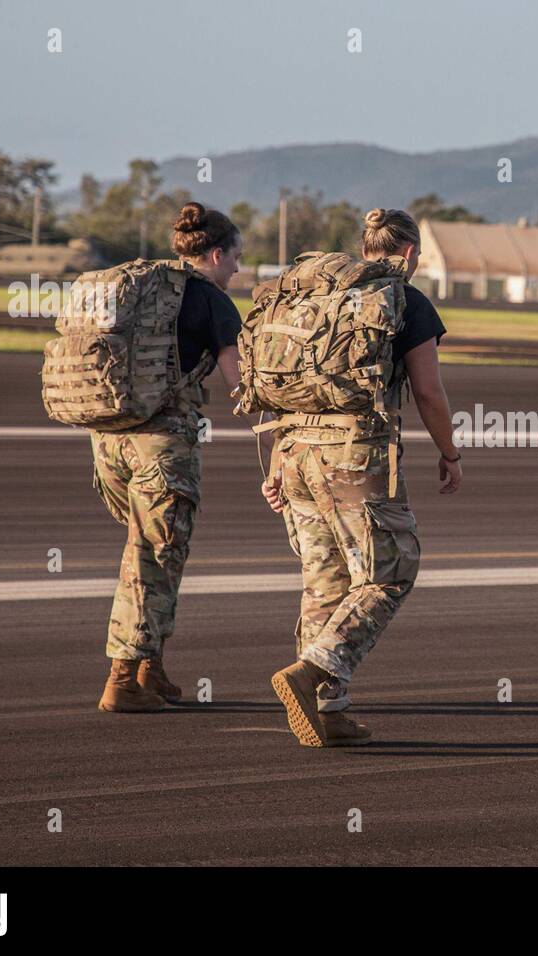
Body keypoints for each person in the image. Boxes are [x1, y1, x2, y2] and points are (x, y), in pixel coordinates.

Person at [262, 208, 462, 746]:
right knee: (391, 570)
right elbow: (427, 391)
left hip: (295, 447)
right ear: (411, 253)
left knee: (324, 579)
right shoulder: (405, 300)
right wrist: (450, 452)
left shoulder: (315, 296)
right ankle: (314, 670)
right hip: (354, 457)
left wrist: (281, 461)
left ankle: (327, 711)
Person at [94, 202, 244, 712]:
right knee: (151, 559)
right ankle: (121, 679)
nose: (239, 270)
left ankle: (149, 667)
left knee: (155, 551)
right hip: (161, 447)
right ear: (217, 253)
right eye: (237, 259)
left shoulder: (143, 288)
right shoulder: (212, 302)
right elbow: (241, 388)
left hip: (108, 439)